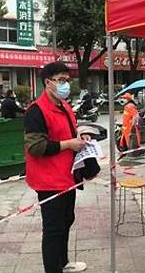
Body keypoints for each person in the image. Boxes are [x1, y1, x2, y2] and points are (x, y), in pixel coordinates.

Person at [24, 61, 88, 273]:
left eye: (67, 81)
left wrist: (80, 138)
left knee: (67, 220)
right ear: (47, 83)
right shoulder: (36, 111)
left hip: (67, 176)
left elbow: (68, 132)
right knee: (52, 229)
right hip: (48, 181)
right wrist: (68, 144)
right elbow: (36, 147)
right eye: (61, 80)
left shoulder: (64, 106)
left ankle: (64, 262)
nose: (66, 85)